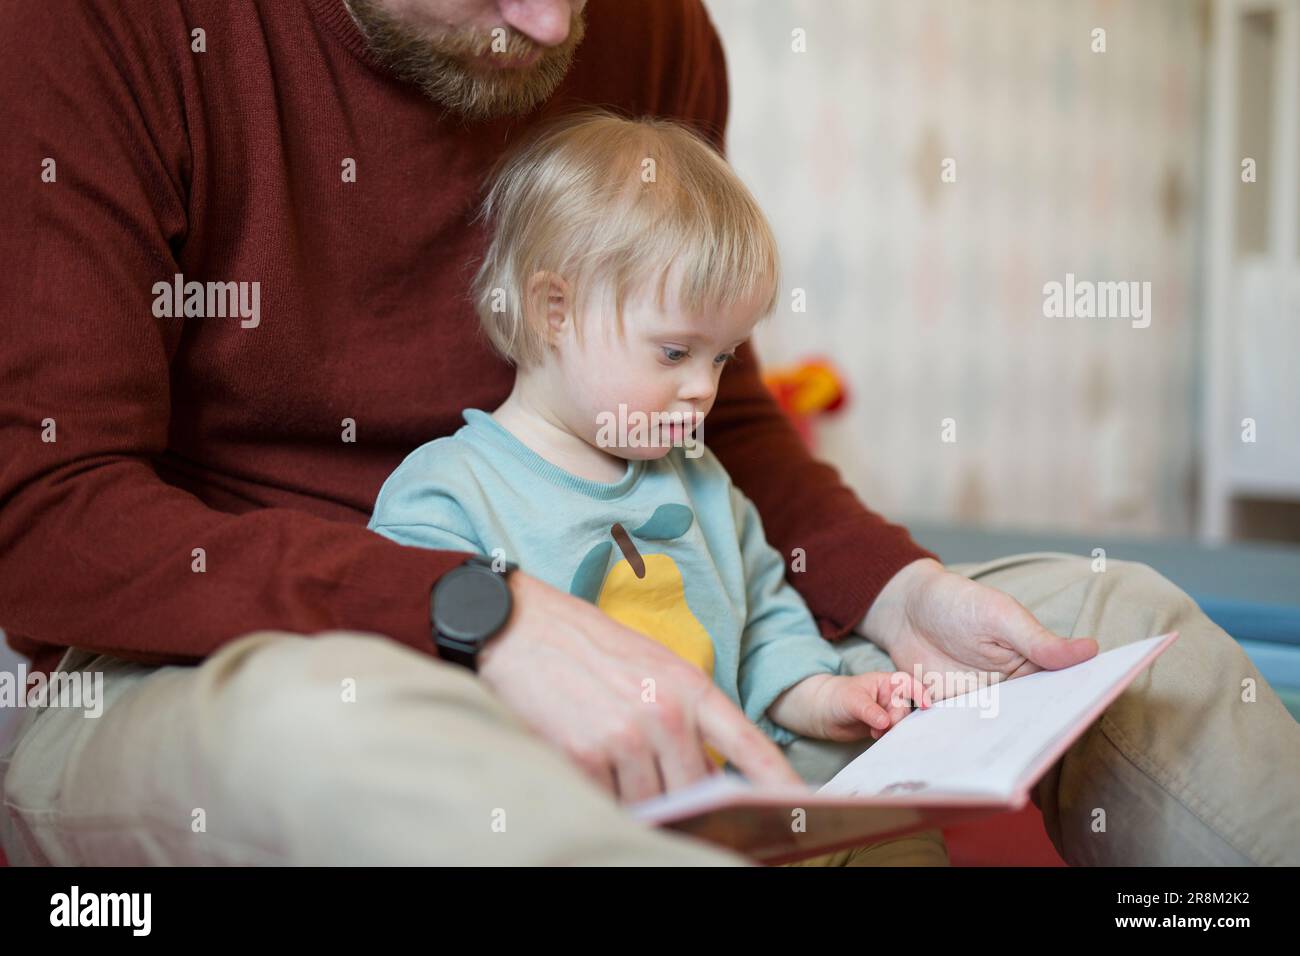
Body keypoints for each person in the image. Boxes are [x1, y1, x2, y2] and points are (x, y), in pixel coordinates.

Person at [0, 0, 1296, 866]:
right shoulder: (94, 31)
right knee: (338, 734)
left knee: (1124, 627)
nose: (557, 24)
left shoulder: (647, 27)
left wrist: (898, 594)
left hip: (677, 672)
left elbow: (719, 419)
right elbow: (48, 516)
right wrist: (475, 612)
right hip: (223, 656)